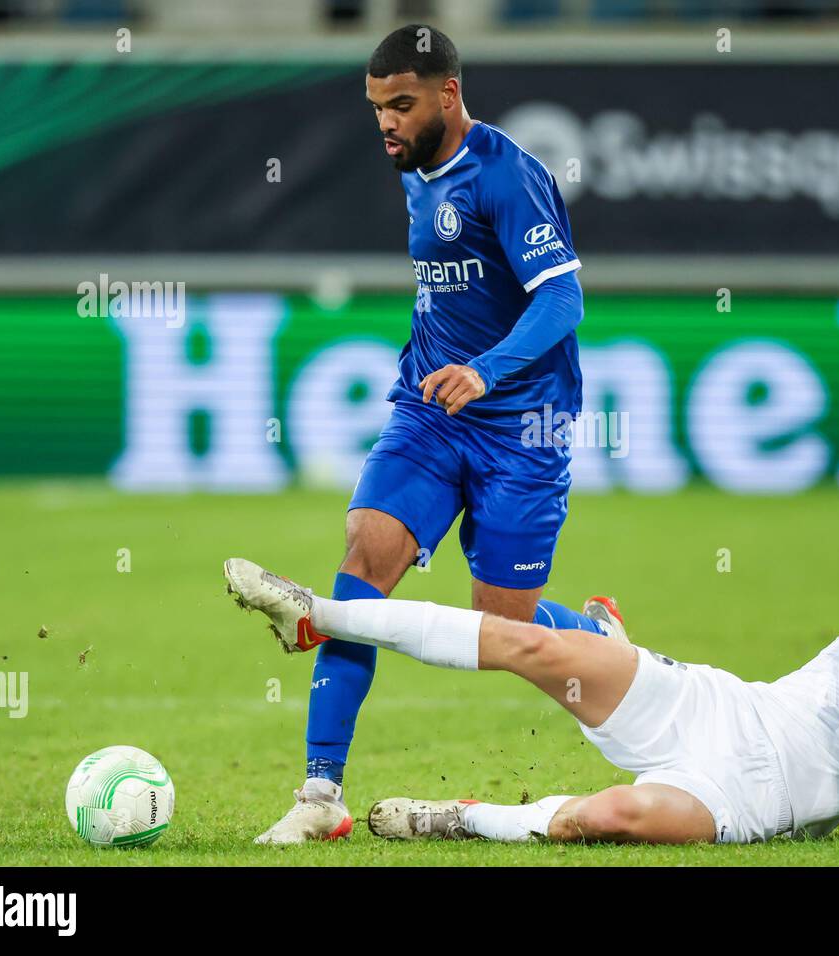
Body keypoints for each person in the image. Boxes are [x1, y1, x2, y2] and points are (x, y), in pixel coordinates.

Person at [254, 24, 614, 845]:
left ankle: (596, 635)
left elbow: (563, 303)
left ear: (449, 95)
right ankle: (320, 795)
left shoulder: (508, 176)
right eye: (377, 106)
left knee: (506, 626)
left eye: (402, 105)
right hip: (429, 410)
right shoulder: (417, 166)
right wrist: (450, 367)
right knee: (361, 568)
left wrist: (486, 369)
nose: (386, 121)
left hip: (523, 427)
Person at [223, 559, 839, 845]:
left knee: (618, 815)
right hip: (711, 708)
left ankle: (444, 818)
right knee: (530, 642)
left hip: (744, 800)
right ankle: (320, 612)